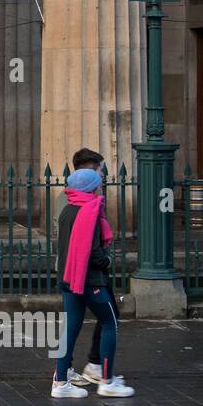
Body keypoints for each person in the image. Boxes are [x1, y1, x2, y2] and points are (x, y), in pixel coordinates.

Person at [50, 166, 134, 398]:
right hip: (89, 280)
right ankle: (106, 381)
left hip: (69, 277)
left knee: (70, 330)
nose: (101, 187)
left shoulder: (68, 209)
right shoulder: (90, 210)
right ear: (91, 187)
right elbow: (93, 252)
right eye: (98, 183)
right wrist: (106, 261)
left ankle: (60, 382)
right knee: (110, 322)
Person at [66, 147, 117, 387]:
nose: (102, 176)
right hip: (87, 275)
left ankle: (64, 375)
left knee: (73, 325)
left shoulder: (76, 201)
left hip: (76, 274)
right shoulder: (85, 204)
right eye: (99, 170)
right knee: (110, 319)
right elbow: (85, 245)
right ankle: (101, 373)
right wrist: (103, 259)